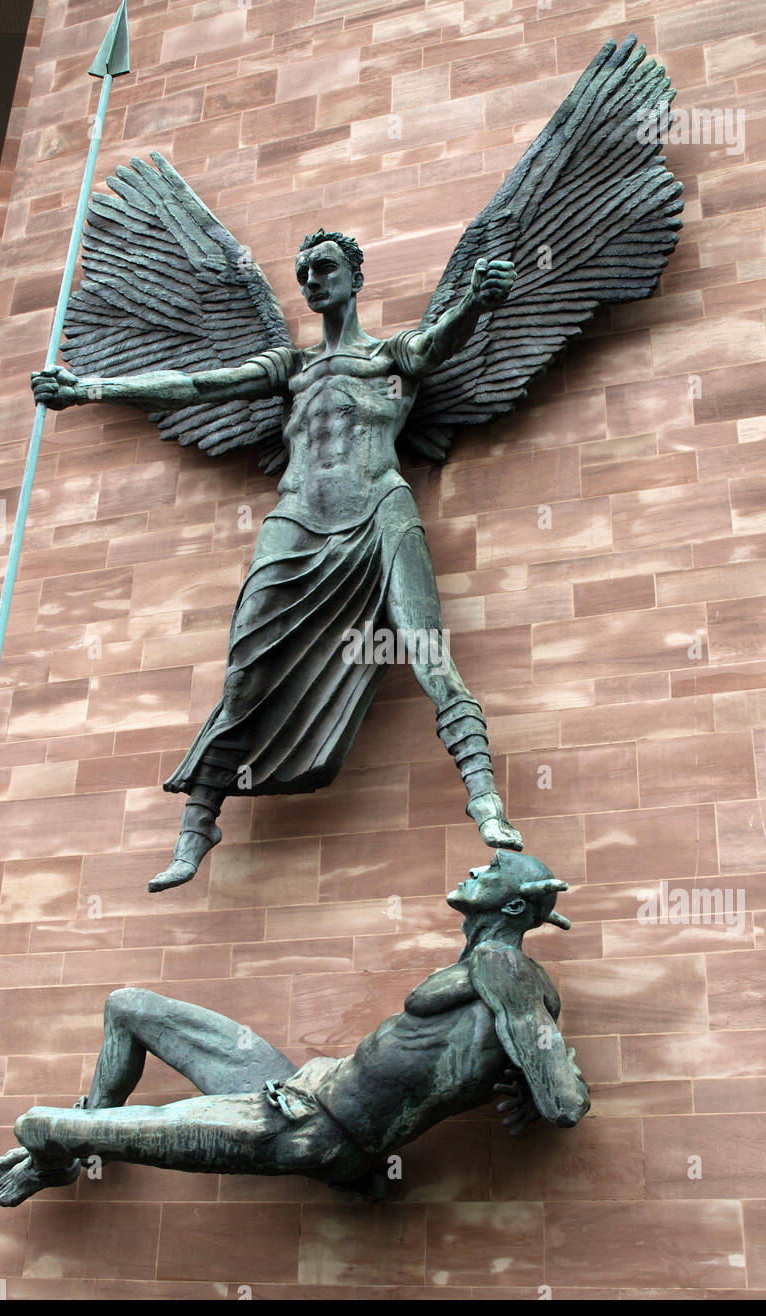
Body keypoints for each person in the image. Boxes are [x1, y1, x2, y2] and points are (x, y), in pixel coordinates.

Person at [32, 233, 523, 894]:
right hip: (295, 519)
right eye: (302, 273)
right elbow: (196, 386)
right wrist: (89, 388)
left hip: (378, 508)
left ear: (353, 277)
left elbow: (439, 342)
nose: (312, 281)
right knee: (243, 670)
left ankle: (485, 802)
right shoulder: (290, 367)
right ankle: (199, 821)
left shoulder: (390, 355)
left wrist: (473, 300)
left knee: (428, 654)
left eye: (324, 269)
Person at [0, 850, 590, 1207]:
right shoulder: (482, 969)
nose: (474, 872)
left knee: (36, 1123)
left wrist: (548, 1077)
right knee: (128, 1006)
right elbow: (519, 1052)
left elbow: (564, 1100)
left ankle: (61, 1151)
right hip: (294, 1092)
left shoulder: (503, 967)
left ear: (513, 906)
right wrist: (529, 1068)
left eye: (491, 872)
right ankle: (86, 1137)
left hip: (313, 1133)